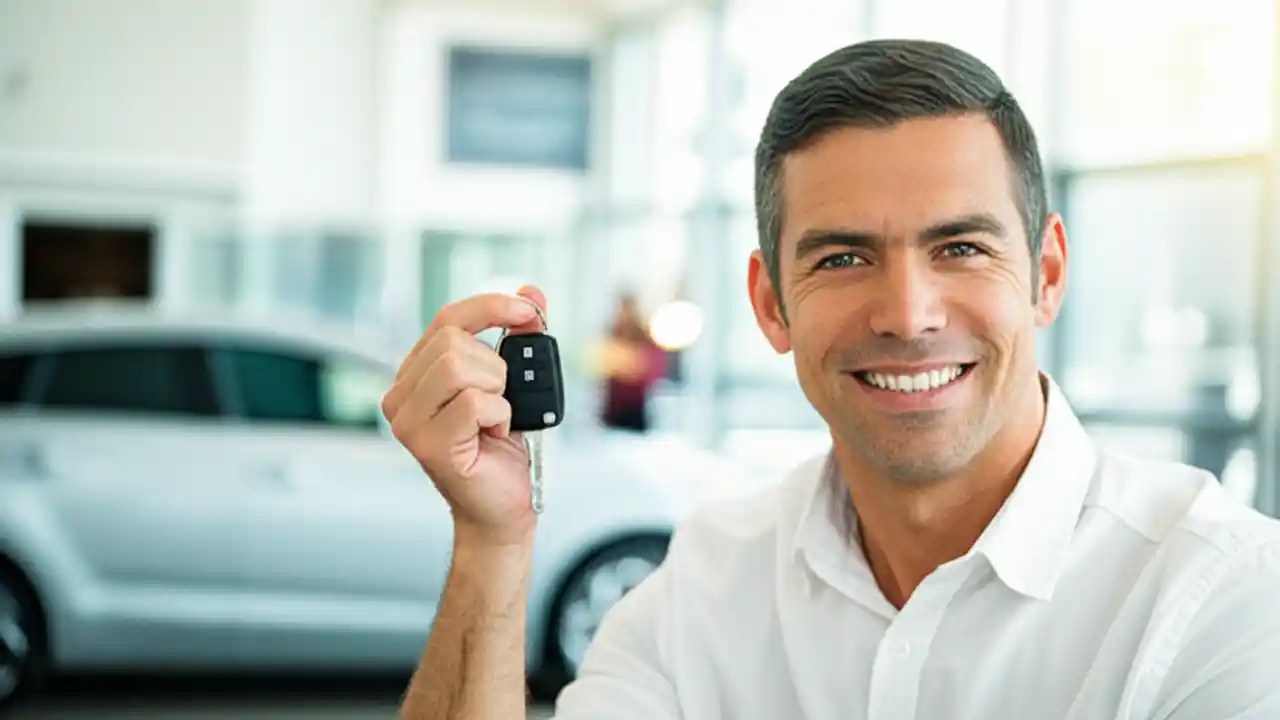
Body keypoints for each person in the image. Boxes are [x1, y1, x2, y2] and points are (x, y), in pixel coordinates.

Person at [382, 40, 1280, 719]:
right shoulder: (709, 582)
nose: (907, 312)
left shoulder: (1222, 599)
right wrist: (492, 546)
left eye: (960, 247)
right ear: (770, 305)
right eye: (845, 257)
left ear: (1046, 274)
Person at [598, 292, 667, 432]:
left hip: (636, 407)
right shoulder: (613, 333)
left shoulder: (644, 337)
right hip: (614, 407)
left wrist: (628, 365)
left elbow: (650, 369)